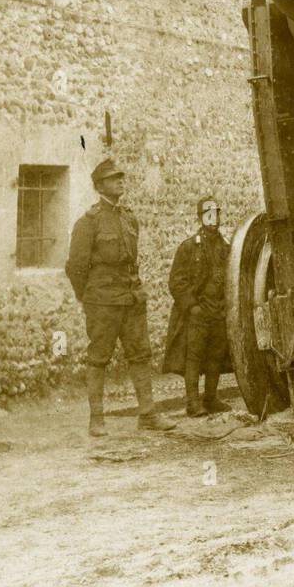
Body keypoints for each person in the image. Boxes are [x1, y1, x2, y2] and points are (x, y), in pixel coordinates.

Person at [65, 157, 177, 437]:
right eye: (114, 178)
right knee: (99, 357)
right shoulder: (88, 223)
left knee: (141, 355)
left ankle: (148, 414)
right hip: (103, 302)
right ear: (99, 186)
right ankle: (96, 419)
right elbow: (75, 267)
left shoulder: (129, 217)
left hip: (131, 298)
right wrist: (88, 296)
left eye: (120, 177)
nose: (120, 182)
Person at [163, 196, 231, 417]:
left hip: (219, 311)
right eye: (207, 214)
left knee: (216, 355)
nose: (213, 219)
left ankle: (210, 398)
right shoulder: (189, 247)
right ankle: (193, 402)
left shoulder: (227, 248)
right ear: (200, 218)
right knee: (194, 356)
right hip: (198, 312)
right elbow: (176, 282)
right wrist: (192, 307)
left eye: (216, 214)